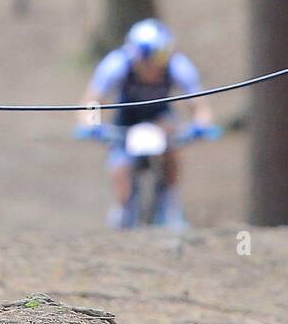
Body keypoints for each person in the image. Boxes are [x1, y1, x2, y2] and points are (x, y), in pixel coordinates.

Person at [78, 19, 217, 226]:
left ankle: (171, 200)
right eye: (149, 60)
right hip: (125, 120)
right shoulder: (116, 65)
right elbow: (91, 102)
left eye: (161, 58)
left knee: (171, 150)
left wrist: (200, 126)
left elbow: (199, 105)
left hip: (160, 118)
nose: (154, 67)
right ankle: (123, 208)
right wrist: (91, 126)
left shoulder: (178, 66)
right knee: (120, 167)